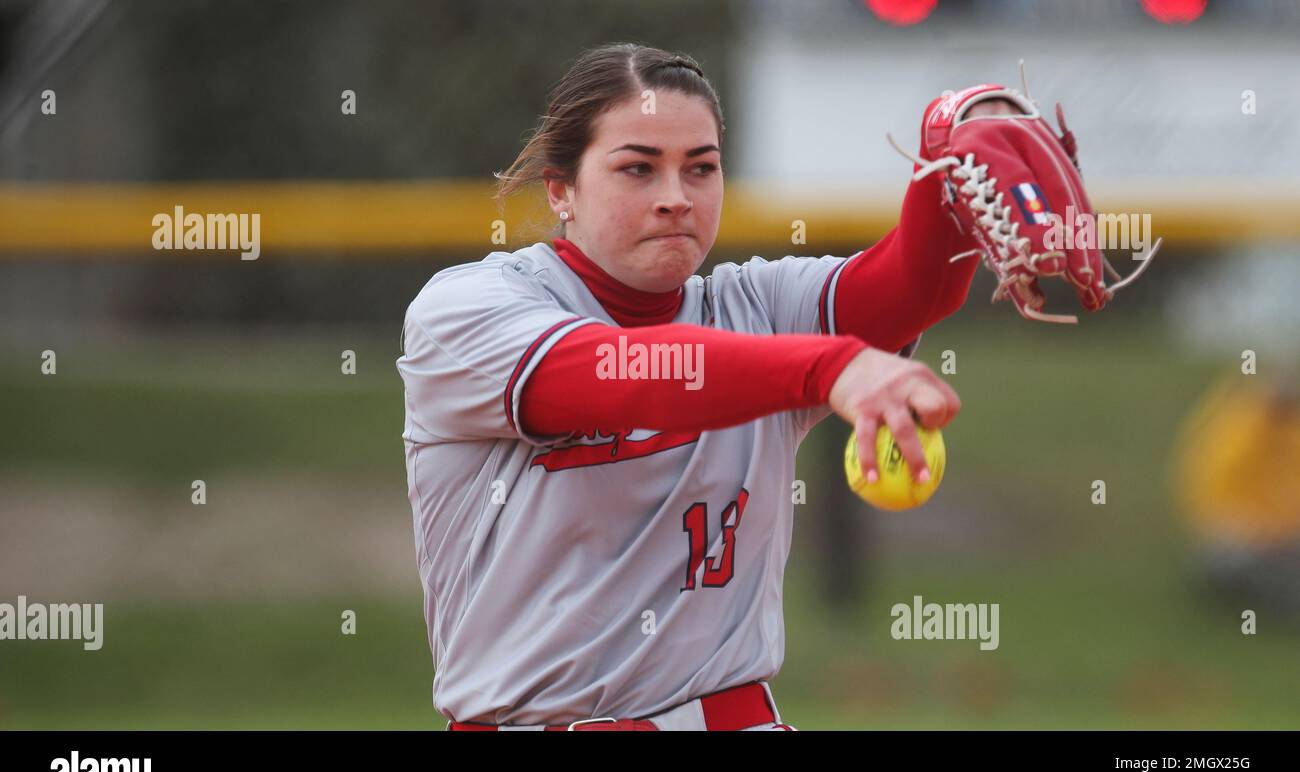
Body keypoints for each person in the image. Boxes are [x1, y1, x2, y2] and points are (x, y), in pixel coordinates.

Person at [397, 42, 1013, 731]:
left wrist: (949, 161)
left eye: (701, 169)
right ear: (559, 189)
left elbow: (908, 286)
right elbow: (625, 374)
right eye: (638, 168)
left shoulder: (755, 306)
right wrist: (831, 366)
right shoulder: (466, 312)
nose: (674, 198)